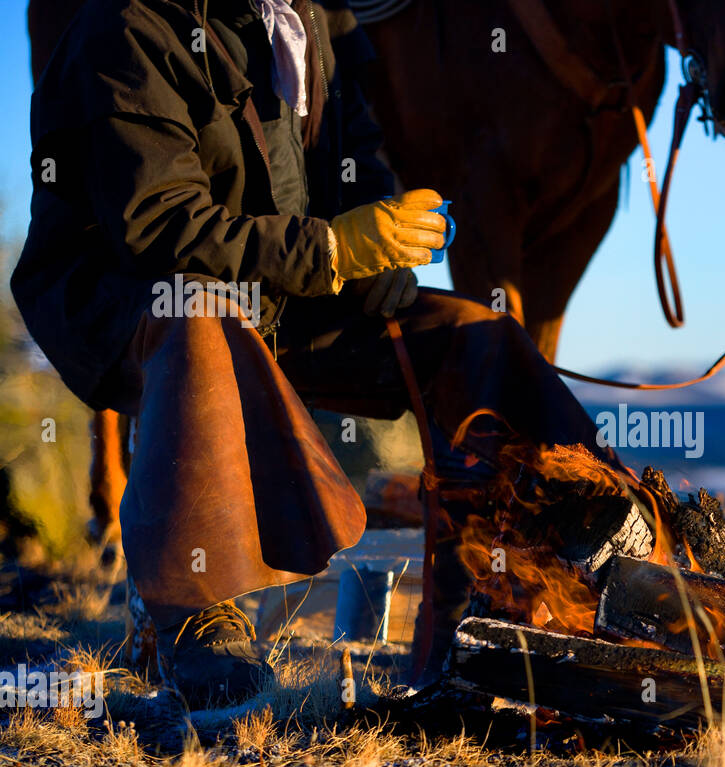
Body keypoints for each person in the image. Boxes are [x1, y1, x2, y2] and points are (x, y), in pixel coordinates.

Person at [12, 0, 633, 704]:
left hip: (285, 291)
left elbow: (357, 161)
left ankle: (532, 583)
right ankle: (194, 619)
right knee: (199, 313)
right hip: (125, 295)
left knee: (478, 338)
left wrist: (381, 254)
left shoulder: (317, 19)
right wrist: (333, 250)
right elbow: (161, 225)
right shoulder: (127, 26)